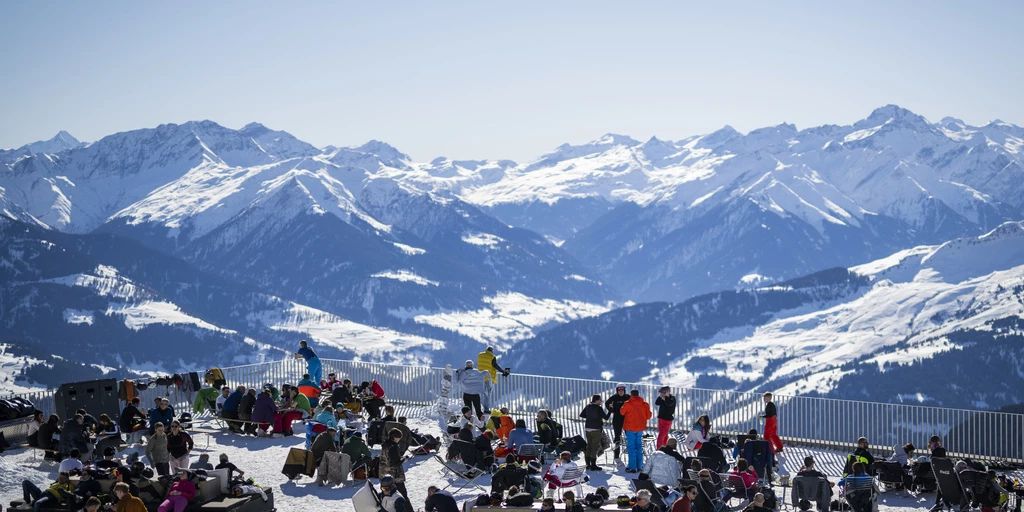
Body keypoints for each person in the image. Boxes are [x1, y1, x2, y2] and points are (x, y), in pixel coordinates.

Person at [621, 389, 652, 473]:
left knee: (631, 448)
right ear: (638, 395)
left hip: (630, 428)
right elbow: (649, 416)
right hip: (640, 428)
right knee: (639, 447)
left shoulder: (627, 404)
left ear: (631, 395)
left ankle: (632, 467)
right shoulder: (645, 404)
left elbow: (622, 412)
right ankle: (640, 466)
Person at [580, 394, 610, 471]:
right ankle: (593, 465)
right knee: (594, 447)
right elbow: (606, 418)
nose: (601, 401)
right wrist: (610, 410)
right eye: (600, 400)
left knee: (589, 446)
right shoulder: (598, 408)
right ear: (596, 400)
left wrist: (590, 417)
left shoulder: (588, 406)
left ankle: (588, 464)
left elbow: (582, 415)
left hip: (587, 428)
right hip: (596, 429)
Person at [381, 428, 410, 504]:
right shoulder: (394, 446)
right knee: (403, 495)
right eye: (399, 438)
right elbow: (395, 464)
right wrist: (404, 459)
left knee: (388, 494)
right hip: (395, 475)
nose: (399, 440)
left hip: (385, 474)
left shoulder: (385, 445)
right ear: (394, 437)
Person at [605, 385, 629, 459]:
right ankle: (616, 454)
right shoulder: (614, 397)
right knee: (617, 436)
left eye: (622, 391)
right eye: (619, 391)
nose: (621, 392)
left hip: (626, 419)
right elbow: (607, 403)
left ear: (624, 391)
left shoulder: (628, 397)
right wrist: (611, 410)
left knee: (629, 435)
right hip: (617, 419)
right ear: (617, 391)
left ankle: (629, 451)